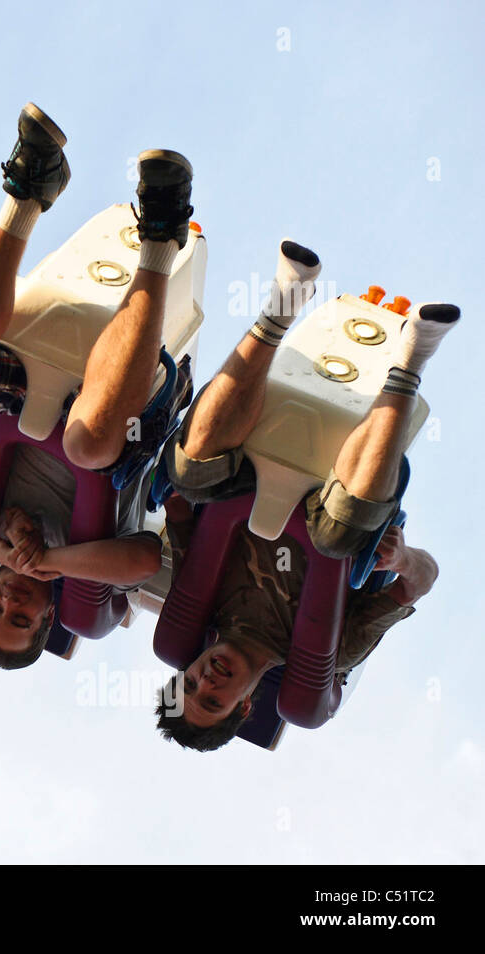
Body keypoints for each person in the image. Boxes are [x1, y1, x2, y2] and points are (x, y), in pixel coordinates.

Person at [0, 103, 192, 669]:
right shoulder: (81, 576)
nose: (10, 602)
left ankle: (29, 190)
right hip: (116, 413)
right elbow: (142, 559)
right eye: (21, 619)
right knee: (86, 445)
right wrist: (56, 564)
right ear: (46, 617)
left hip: (27, 388)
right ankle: (162, 238)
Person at [154, 239, 452, 751]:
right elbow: (423, 581)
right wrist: (401, 558)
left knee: (186, 473)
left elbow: (178, 510)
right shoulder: (325, 657)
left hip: (252, 467)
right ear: (245, 705)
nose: (205, 680)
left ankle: (281, 305)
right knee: (338, 536)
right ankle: (411, 360)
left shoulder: (194, 603)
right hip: (333, 502)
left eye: (189, 684)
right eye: (212, 700)